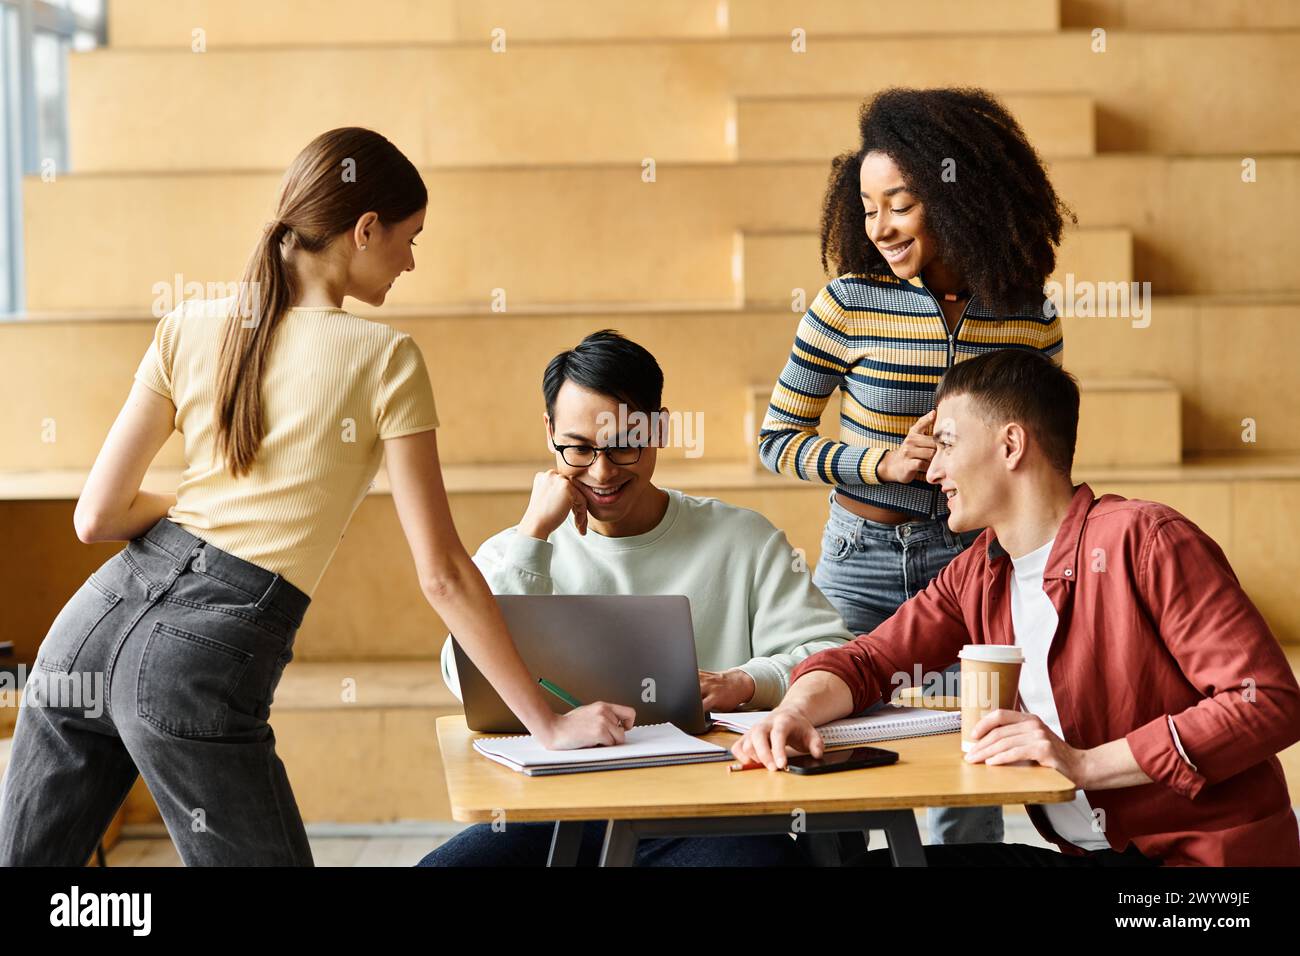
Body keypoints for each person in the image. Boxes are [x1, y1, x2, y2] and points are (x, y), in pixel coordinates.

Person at [0, 128, 631, 867]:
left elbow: (97, 517)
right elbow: (444, 573)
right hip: (200, 659)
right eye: (409, 238)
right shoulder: (386, 359)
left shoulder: (188, 324)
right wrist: (547, 724)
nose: (410, 261)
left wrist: (212, 500)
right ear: (365, 230)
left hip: (89, 626)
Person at [735, 349, 1300, 867]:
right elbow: (868, 661)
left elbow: (1268, 701)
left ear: (1011, 445)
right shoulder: (980, 571)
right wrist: (794, 712)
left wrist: (1083, 763)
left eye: (948, 445)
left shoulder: (1147, 540)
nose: (932, 471)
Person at [758, 87, 1074, 846]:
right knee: (824, 764)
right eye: (867, 208)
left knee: (966, 777)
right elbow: (779, 439)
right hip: (861, 559)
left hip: (972, 564)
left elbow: (1040, 449)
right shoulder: (846, 304)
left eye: (898, 203)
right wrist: (881, 461)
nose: (880, 227)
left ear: (951, 193)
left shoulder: (1026, 312)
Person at [420, 330, 852, 866]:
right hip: (556, 813)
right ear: (550, 434)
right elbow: (459, 673)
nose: (602, 472)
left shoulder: (743, 539)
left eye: (624, 444)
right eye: (578, 448)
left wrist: (745, 681)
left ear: (660, 430)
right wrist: (531, 538)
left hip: (709, 813)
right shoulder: (515, 550)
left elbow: (830, 652)